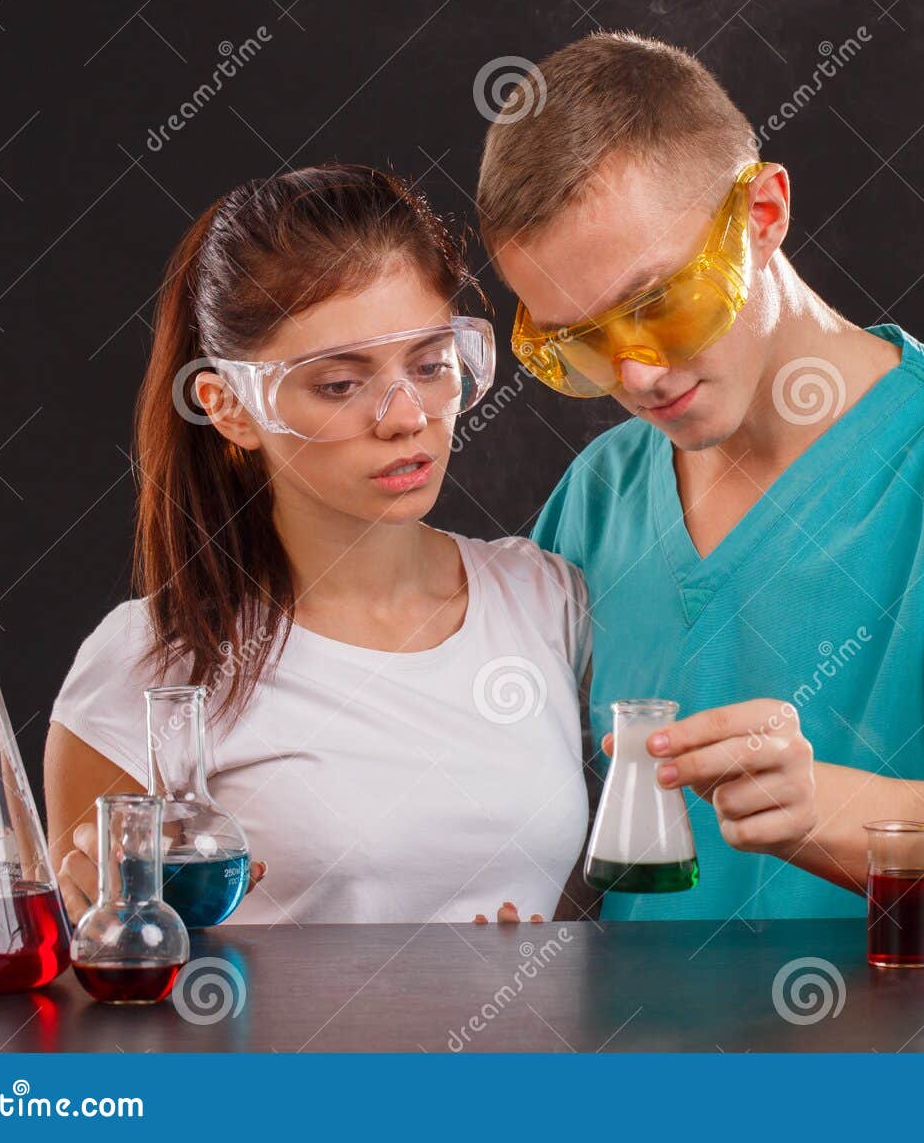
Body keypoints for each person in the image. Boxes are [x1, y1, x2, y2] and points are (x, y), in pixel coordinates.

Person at [476, 33, 924, 921]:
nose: (636, 373)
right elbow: (561, 827)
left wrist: (826, 809)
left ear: (762, 213)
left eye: (660, 303)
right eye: (581, 342)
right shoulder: (599, 497)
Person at [44, 164, 592, 926]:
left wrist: (532, 964)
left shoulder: (544, 600)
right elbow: (102, 969)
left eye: (431, 365)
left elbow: (603, 906)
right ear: (231, 408)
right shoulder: (156, 660)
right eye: (340, 384)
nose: (405, 417)